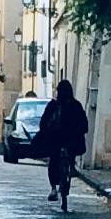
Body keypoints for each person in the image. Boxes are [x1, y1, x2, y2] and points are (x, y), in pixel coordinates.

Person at [34, 76, 88, 211]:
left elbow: (43, 123)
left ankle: (53, 188)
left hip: (56, 139)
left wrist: (45, 133)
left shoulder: (53, 105)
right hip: (71, 141)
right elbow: (84, 124)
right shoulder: (76, 105)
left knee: (53, 161)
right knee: (70, 155)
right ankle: (72, 167)